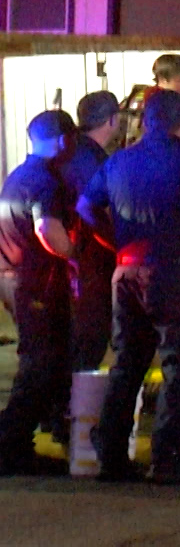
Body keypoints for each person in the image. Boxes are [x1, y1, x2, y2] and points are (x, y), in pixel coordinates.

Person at [78, 88, 180, 484]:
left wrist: (117, 241)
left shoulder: (118, 160)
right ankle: (167, 456)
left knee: (127, 364)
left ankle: (112, 455)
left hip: (128, 276)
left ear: (143, 121)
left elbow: (86, 207)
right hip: (177, 276)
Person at [0, 111, 77, 475]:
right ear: (64, 140)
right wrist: (73, 254)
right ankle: (11, 444)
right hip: (36, 283)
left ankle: (21, 441)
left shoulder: (17, 176)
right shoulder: (47, 182)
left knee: (41, 359)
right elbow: (47, 229)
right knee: (39, 363)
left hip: (14, 278)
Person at [66, 91, 119, 373]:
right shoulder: (96, 161)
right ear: (112, 120)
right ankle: (75, 412)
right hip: (89, 265)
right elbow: (94, 211)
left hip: (65, 265)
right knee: (89, 344)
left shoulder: (68, 152)